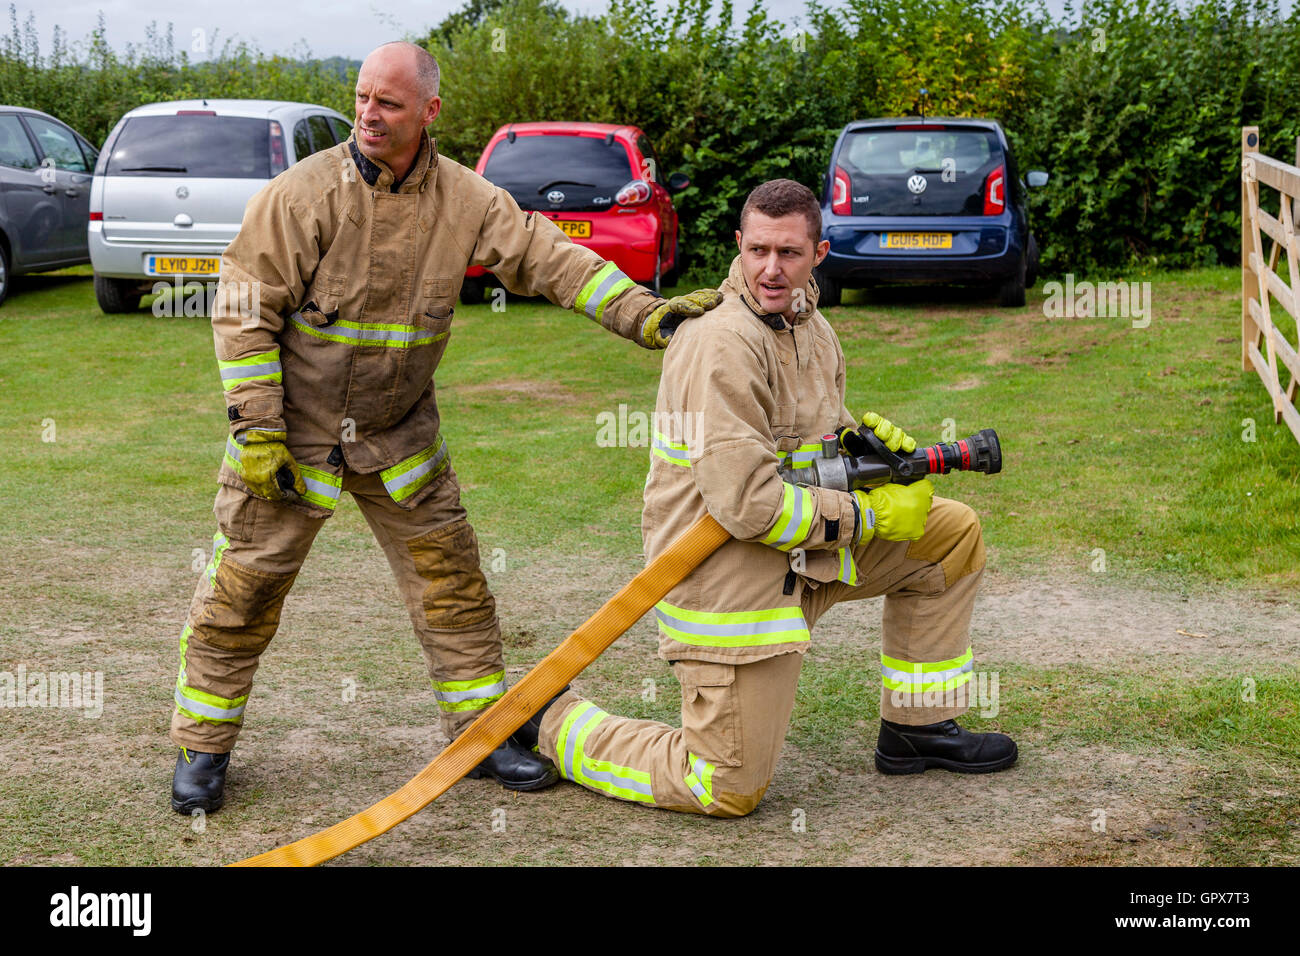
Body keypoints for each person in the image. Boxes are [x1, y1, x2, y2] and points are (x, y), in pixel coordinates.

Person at [169, 40, 721, 814]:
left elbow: (550, 258)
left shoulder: (468, 200)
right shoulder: (301, 195)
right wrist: (257, 431)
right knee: (242, 595)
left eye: (388, 103)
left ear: (429, 112)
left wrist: (647, 315)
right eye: (362, 97)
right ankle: (203, 747)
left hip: (400, 440)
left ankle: (482, 735)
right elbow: (241, 309)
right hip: (291, 444)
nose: (368, 114)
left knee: (455, 592)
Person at [517, 179, 1016, 817]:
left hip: (801, 553)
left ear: (819, 255)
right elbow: (749, 502)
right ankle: (547, 722)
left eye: (788, 253)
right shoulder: (719, 343)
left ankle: (916, 730)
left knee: (950, 537)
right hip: (727, 578)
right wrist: (869, 515)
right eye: (757, 251)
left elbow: (807, 451)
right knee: (725, 787)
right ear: (739, 247)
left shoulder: (813, 329)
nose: (771, 269)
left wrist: (865, 450)